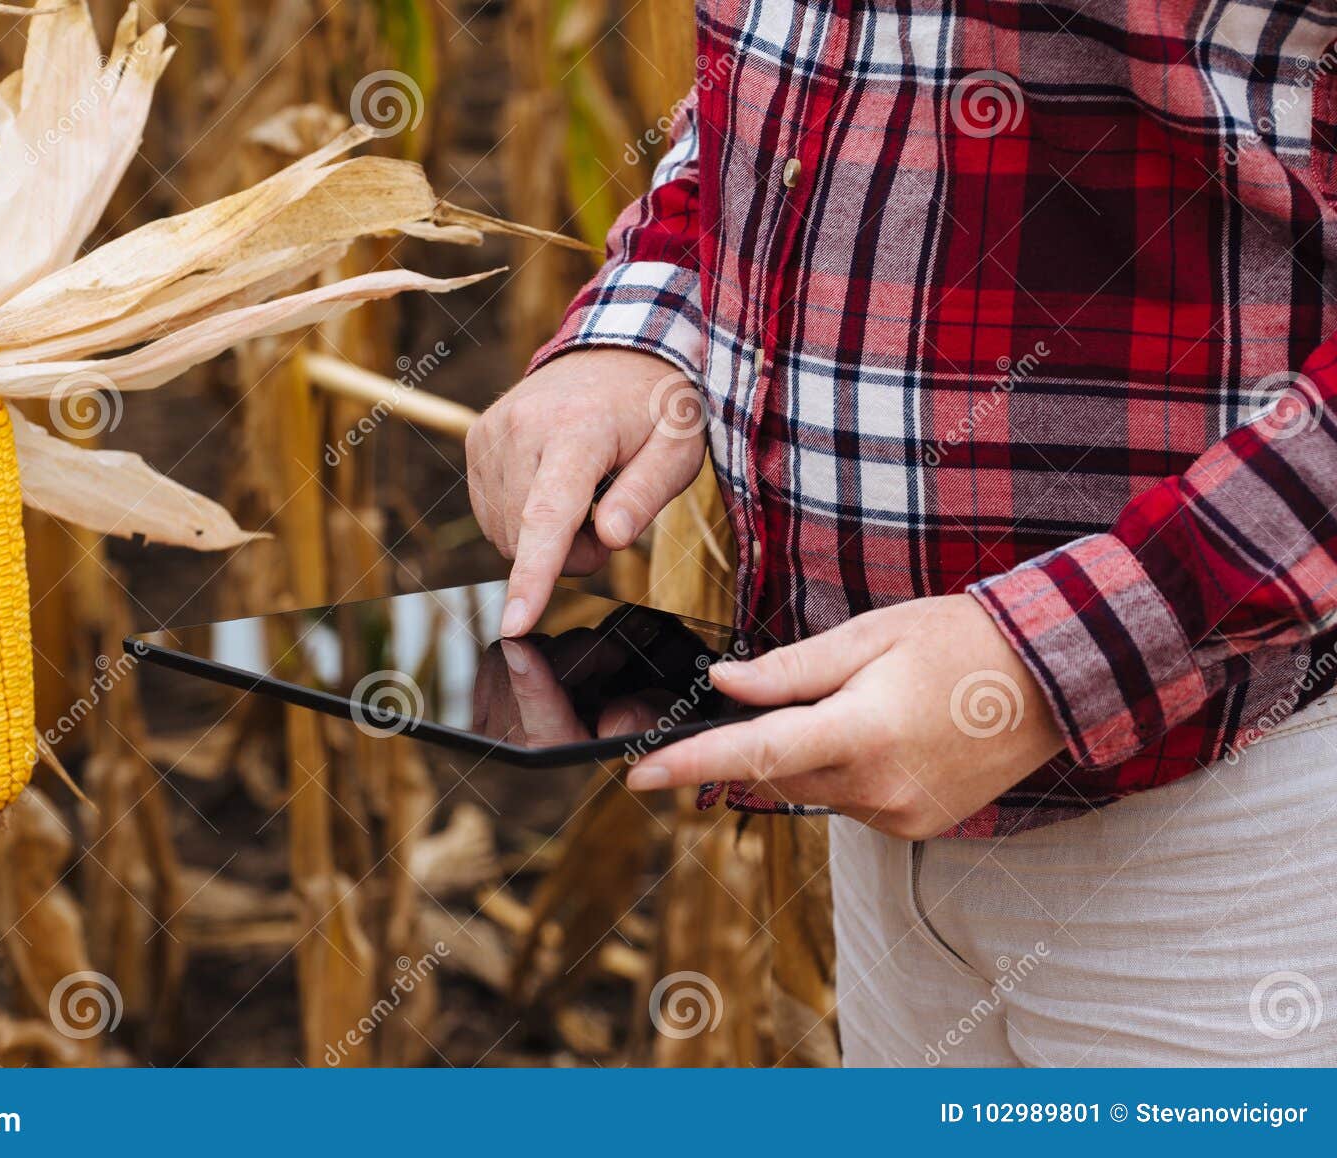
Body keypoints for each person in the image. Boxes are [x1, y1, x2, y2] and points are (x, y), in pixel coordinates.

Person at [466, 1, 1337, 1065]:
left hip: (1250, 816)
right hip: (889, 790)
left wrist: (1047, 663)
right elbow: (807, 76)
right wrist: (649, 320)